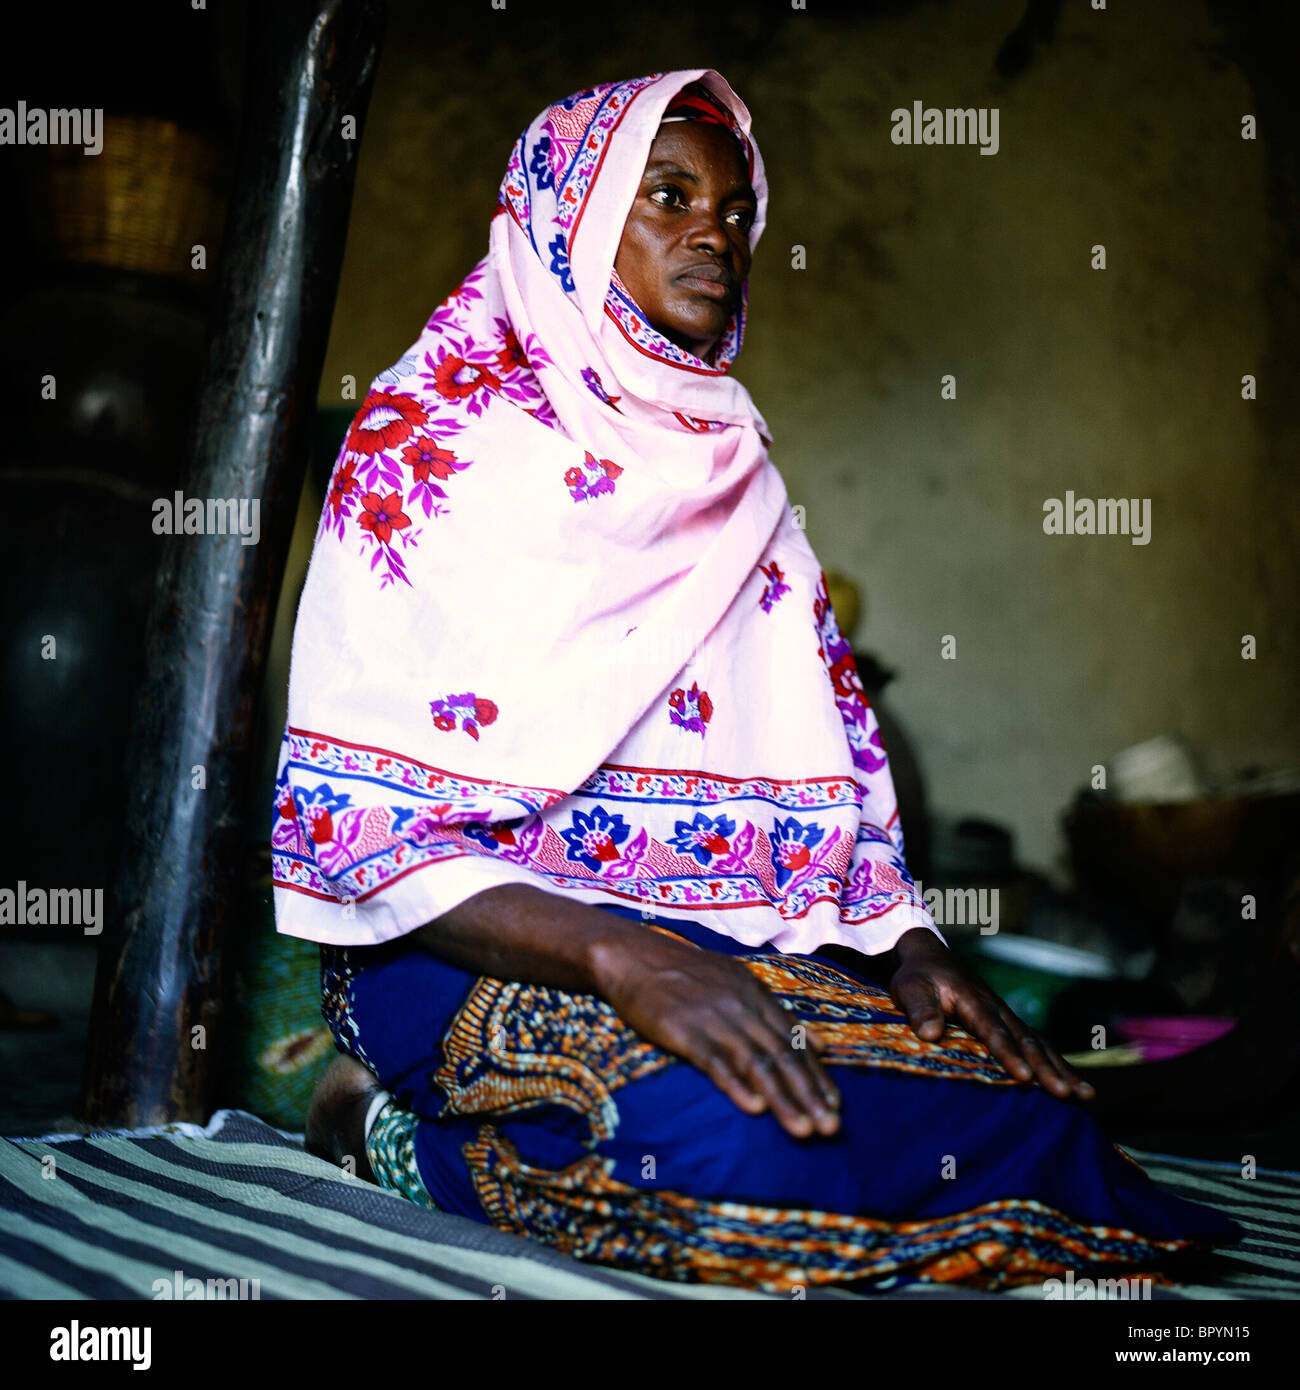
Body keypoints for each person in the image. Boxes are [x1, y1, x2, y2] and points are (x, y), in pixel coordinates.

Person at [273, 69, 1240, 1291]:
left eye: (734, 214)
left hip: (708, 928)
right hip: (462, 946)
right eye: (665, 196)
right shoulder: (426, 443)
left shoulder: (735, 469)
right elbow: (357, 833)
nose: (712, 236)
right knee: (744, 1141)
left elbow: (824, 760)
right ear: (567, 220)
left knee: (1024, 1114)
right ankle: (379, 1125)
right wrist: (621, 956)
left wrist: (908, 948)